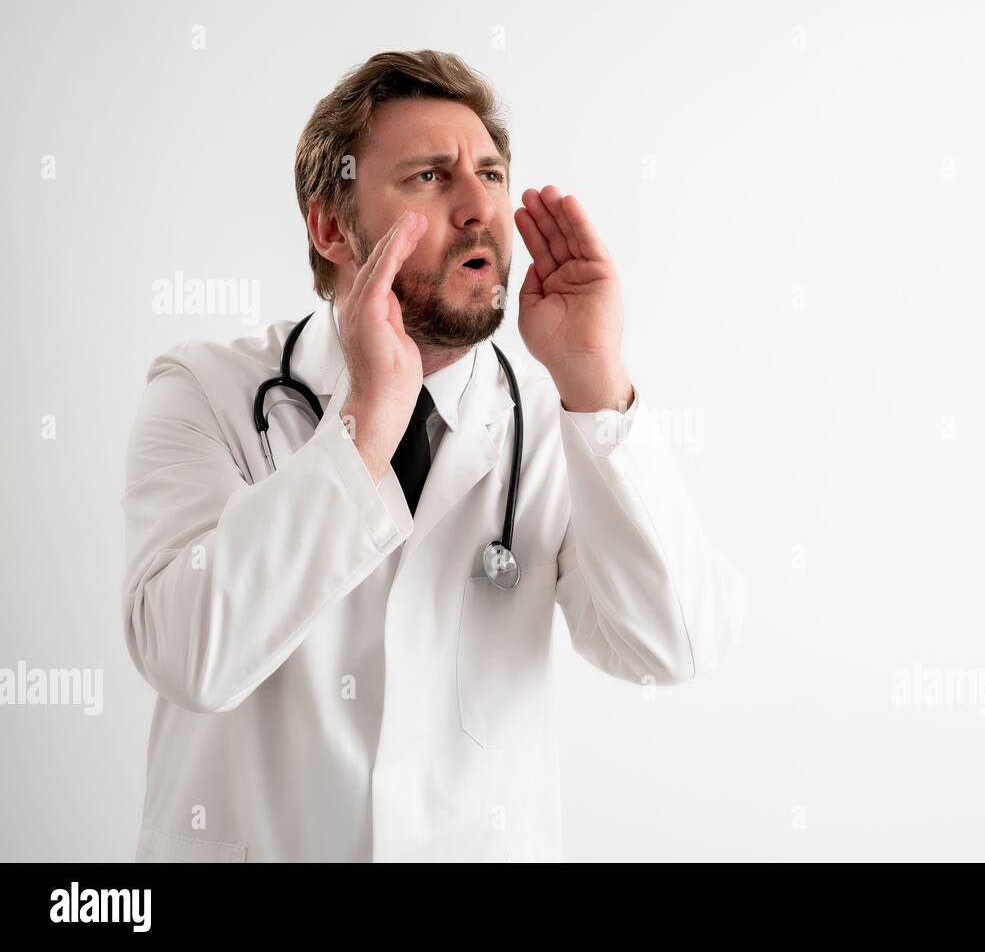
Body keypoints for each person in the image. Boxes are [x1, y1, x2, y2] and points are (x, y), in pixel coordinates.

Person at [119, 50, 747, 862]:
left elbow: (672, 646)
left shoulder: (560, 423)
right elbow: (191, 656)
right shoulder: (204, 390)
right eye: (427, 177)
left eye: (489, 172)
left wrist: (597, 382)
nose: (477, 204)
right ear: (331, 227)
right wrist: (368, 419)